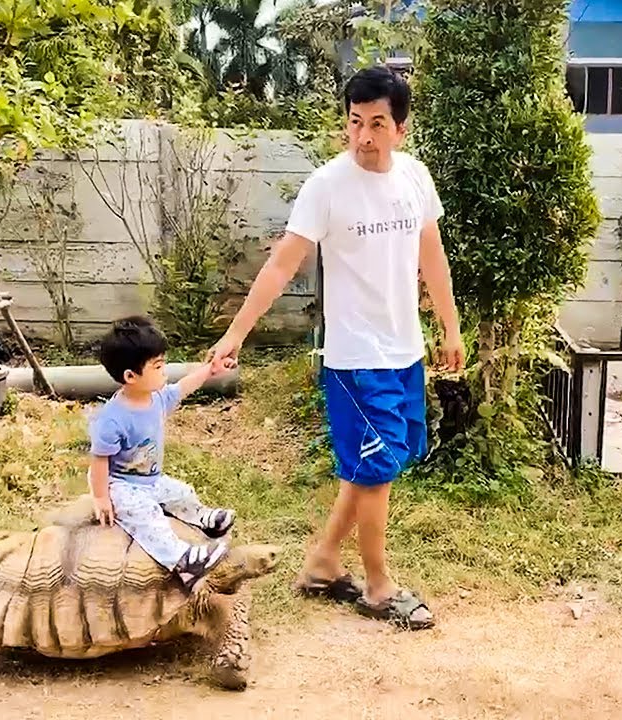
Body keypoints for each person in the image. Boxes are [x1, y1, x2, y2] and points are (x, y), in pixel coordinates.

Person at [206, 66, 464, 629]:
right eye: (354, 122)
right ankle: (377, 586)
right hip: (354, 358)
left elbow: (433, 259)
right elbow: (281, 264)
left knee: (377, 466)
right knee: (374, 473)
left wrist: (449, 327)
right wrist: (235, 333)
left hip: (404, 352)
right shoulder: (326, 185)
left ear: (401, 127)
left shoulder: (416, 179)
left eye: (377, 124)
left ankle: (323, 563)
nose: (364, 137)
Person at [88, 315, 238, 592]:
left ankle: (201, 519)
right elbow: (99, 461)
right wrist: (100, 497)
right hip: (121, 485)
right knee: (147, 517)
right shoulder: (112, 420)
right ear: (130, 376)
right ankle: (182, 561)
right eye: (157, 366)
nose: (164, 370)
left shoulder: (156, 398)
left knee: (181, 491)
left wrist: (210, 370)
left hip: (150, 479)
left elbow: (183, 387)